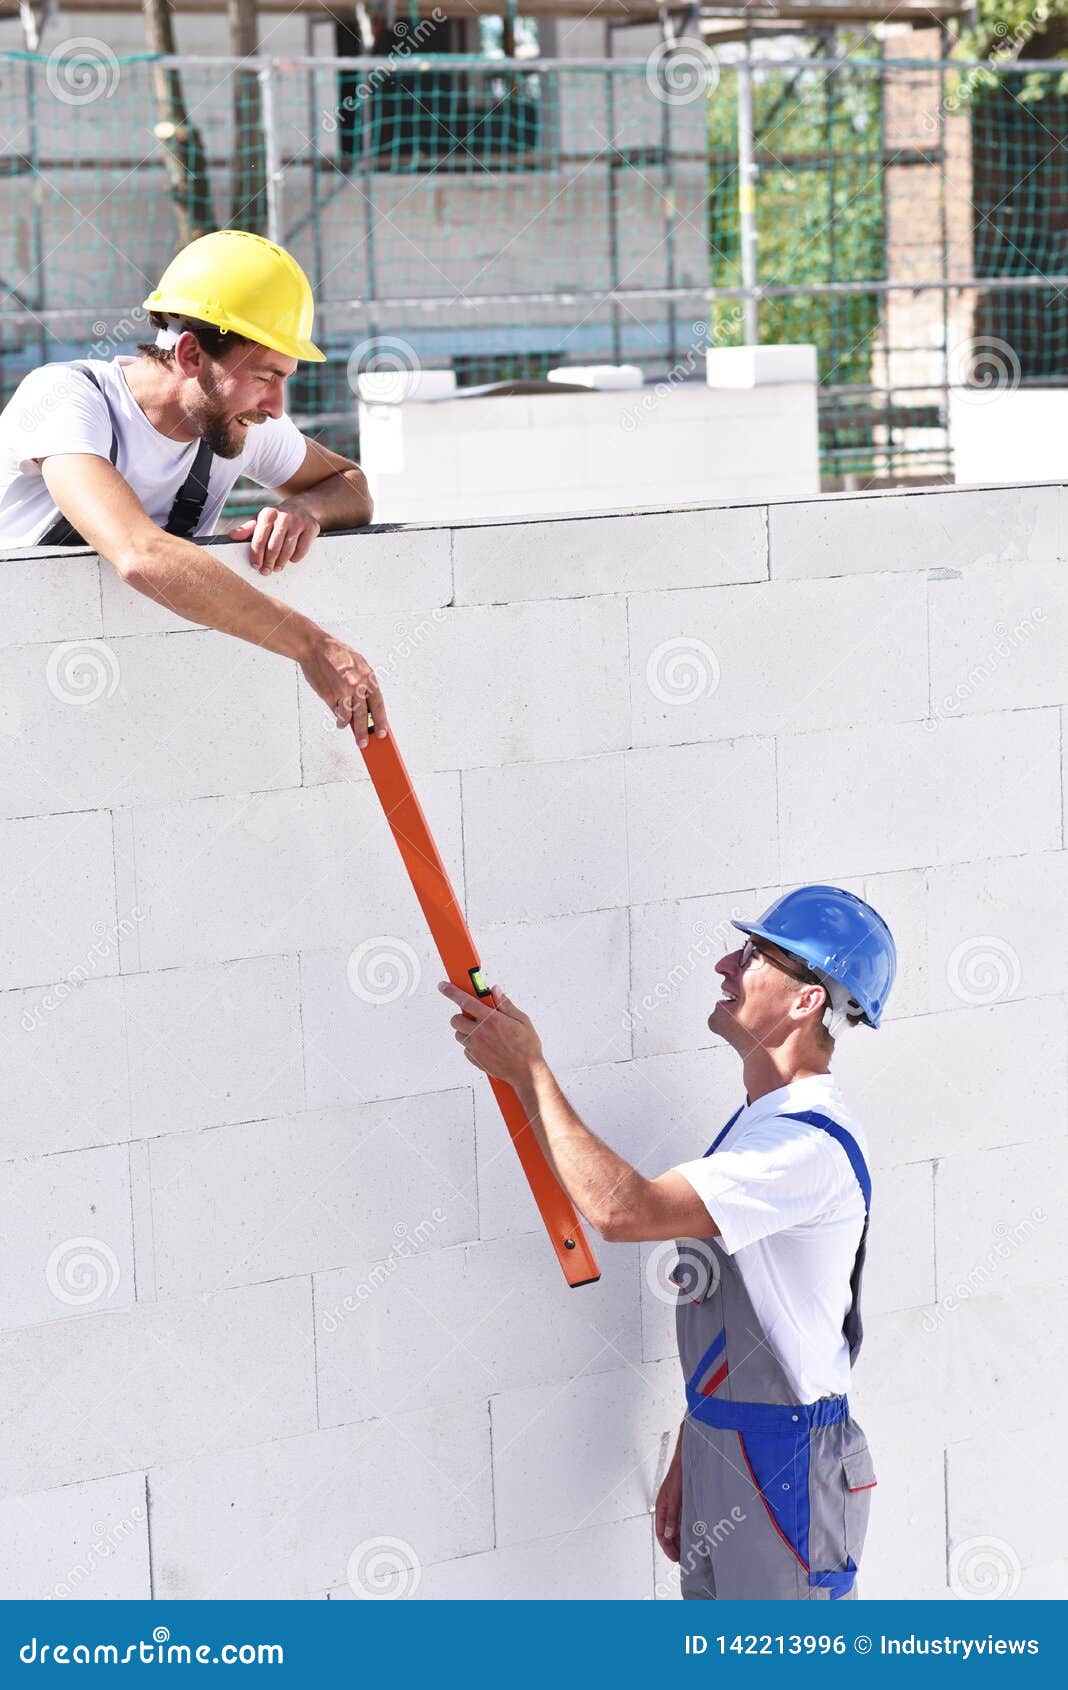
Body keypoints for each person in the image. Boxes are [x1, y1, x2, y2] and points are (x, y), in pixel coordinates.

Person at [438, 883, 895, 1600]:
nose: (724, 964)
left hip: (785, 1467)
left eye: (753, 955)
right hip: (731, 1446)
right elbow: (760, 1314)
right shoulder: (759, 1125)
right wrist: (697, 1441)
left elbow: (623, 1212)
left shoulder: (802, 1148)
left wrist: (528, 1070)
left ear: (808, 999)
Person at [0, 229, 386, 745]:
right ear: (190, 355)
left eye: (285, 379)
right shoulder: (68, 400)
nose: (277, 407)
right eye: (266, 377)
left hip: (124, 716)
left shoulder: (239, 422)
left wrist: (307, 509)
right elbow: (139, 554)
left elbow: (352, 488)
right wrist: (313, 647)